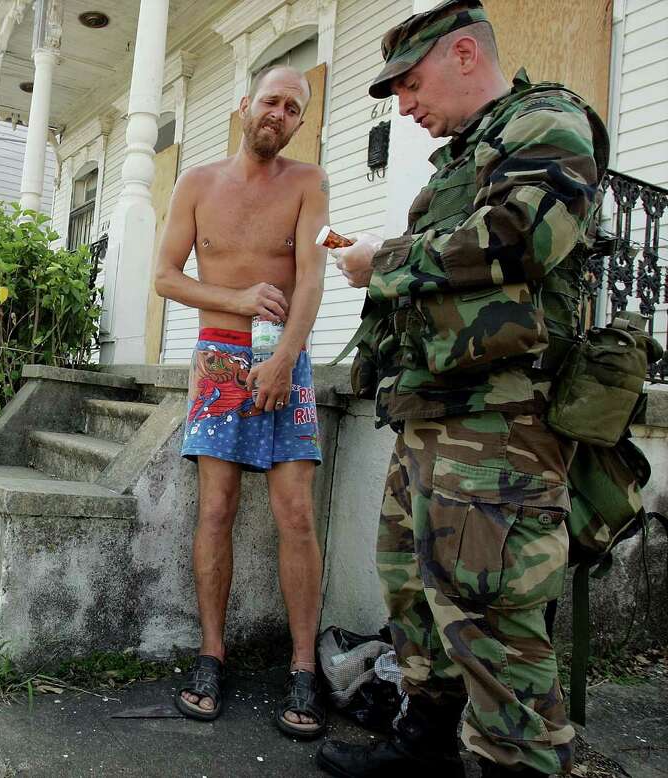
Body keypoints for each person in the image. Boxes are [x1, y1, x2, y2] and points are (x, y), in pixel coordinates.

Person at [318, 2, 608, 776]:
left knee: (491, 618)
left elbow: (523, 234)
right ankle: (426, 747)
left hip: (500, 426)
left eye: (411, 84)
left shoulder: (547, 123)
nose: (405, 106)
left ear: (465, 56)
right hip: (433, 415)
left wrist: (384, 260)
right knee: (414, 592)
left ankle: (519, 764)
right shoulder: (462, 159)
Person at [154, 65, 330, 737]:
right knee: (217, 508)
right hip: (219, 355)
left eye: (293, 107)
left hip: (287, 361)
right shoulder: (195, 183)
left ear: (300, 120)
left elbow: (311, 278)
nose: (279, 113)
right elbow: (166, 277)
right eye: (270, 101)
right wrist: (235, 298)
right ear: (243, 106)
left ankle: (305, 669)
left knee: (295, 513)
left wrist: (285, 357)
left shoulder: (309, 183)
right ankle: (211, 656)